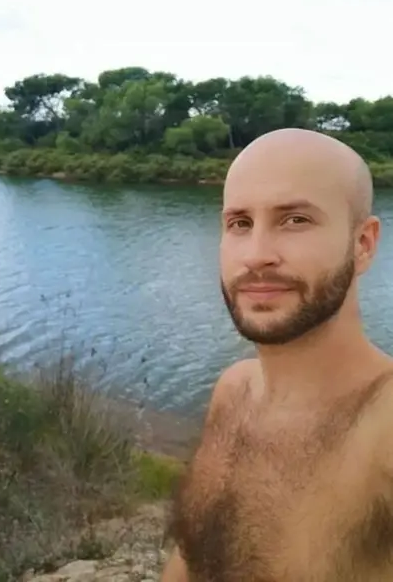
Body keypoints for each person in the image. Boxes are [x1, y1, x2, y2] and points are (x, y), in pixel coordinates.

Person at [161, 128, 393, 582]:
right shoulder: (233, 391)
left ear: (363, 244)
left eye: (295, 220)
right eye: (240, 223)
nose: (256, 255)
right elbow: (192, 558)